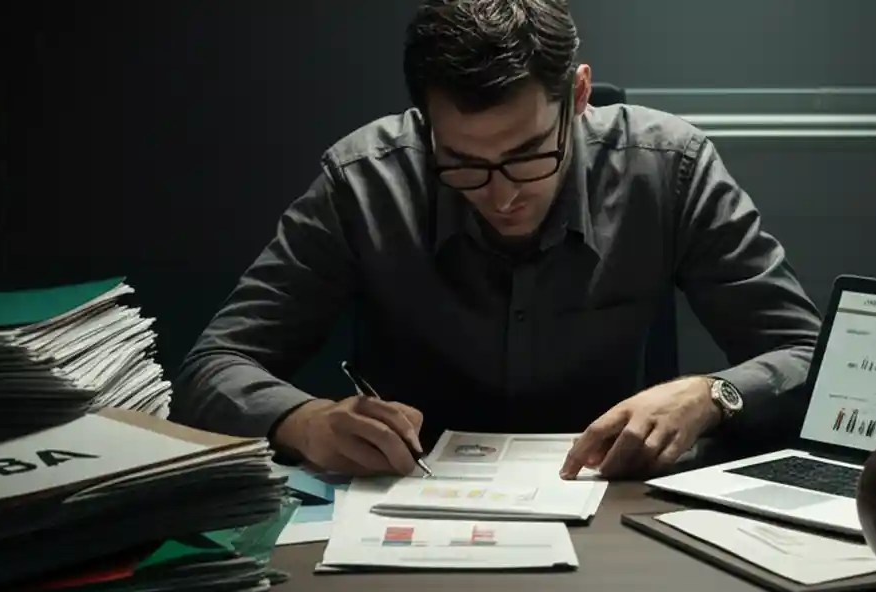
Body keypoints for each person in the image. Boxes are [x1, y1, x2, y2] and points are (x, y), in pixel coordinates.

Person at [172, 0, 823, 481]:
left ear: (580, 95)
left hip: (617, 514)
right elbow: (212, 369)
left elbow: (806, 357)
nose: (501, 193)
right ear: (425, 122)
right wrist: (302, 421)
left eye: (528, 155)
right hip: (409, 514)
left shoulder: (668, 167)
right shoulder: (363, 180)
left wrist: (713, 392)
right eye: (462, 163)